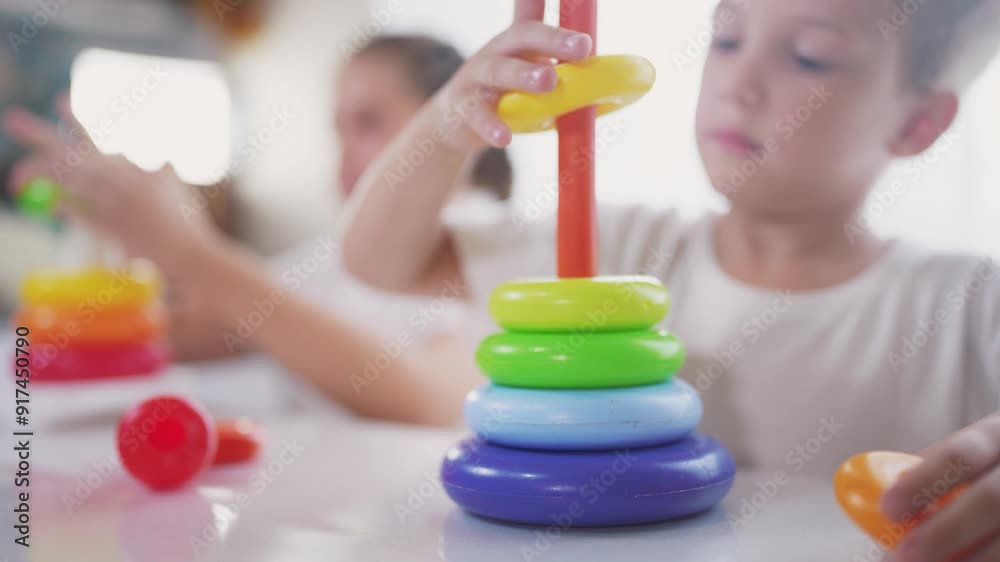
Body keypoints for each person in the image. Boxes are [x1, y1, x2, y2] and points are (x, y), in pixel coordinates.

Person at [340, 0, 1000, 559]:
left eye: (808, 56)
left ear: (920, 122)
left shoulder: (971, 305)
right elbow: (381, 261)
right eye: (728, 38)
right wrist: (448, 127)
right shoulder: (613, 250)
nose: (741, 83)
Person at [3, 34, 510, 426]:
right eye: (339, 129)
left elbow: (435, 400)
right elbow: (206, 327)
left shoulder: (491, 240)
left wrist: (191, 253)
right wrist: (118, 234)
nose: (346, 151)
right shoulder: (332, 257)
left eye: (371, 122)